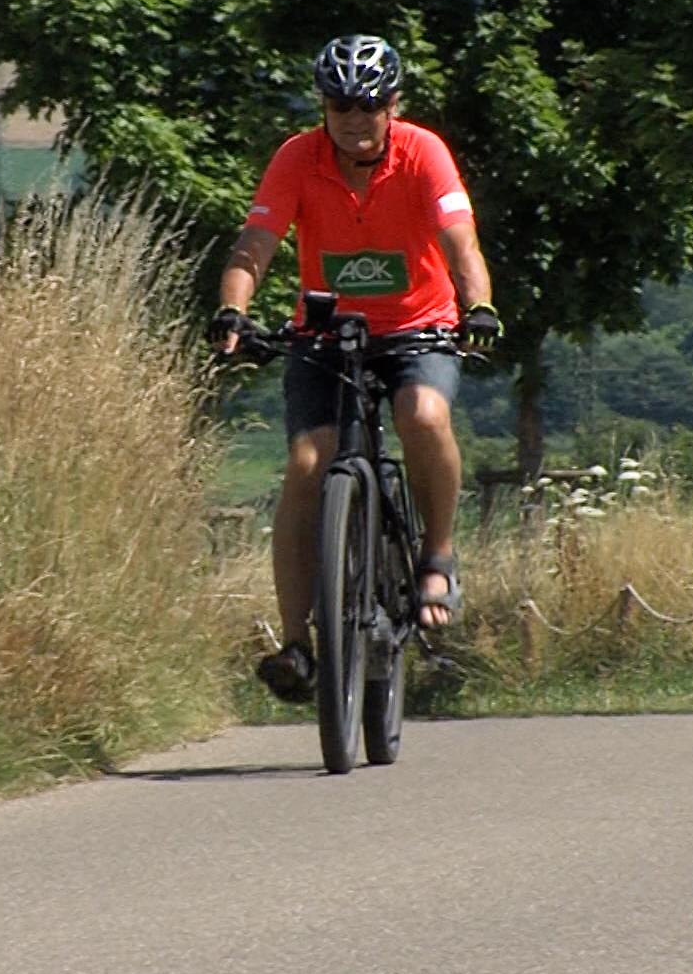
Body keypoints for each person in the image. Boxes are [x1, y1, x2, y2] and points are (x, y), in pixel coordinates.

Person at [209, 34, 500, 704]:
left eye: (369, 106)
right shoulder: (297, 158)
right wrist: (233, 312)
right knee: (309, 463)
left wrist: (478, 307)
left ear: (393, 105)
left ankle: (437, 558)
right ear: (323, 108)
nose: (354, 119)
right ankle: (296, 646)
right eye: (340, 106)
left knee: (422, 414)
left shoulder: (423, 152)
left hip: (415, 327)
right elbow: (254, 247)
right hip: (326, 331)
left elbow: (461, 243)